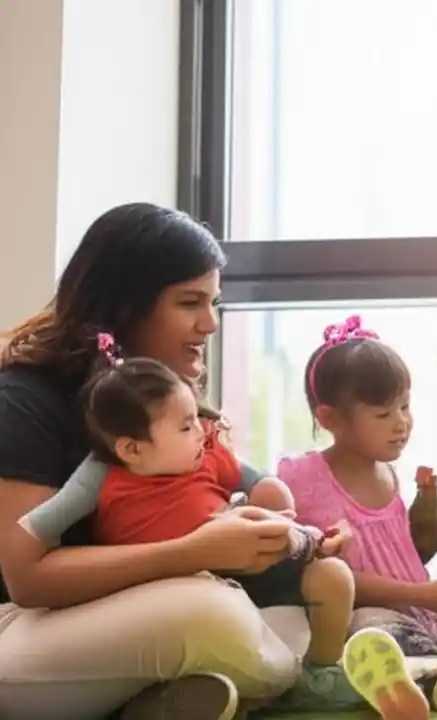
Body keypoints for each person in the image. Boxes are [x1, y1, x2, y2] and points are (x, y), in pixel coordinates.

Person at [0, 202, 302, 720]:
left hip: (128, 622)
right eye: (190, 302)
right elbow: (28, 577)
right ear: (125, 307)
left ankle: (157, 701)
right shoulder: (24, 399)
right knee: (212, 615)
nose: (209, 323)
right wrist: (191, 550)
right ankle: (294, 680)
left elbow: (238, 488)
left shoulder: (170, 408)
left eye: (214, 302)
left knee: (308, 591)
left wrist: (277, 531)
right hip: (22, 630)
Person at [17, 341, 359, 703]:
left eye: (196, 418)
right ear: (132, 449)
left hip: (247, 566)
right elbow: (37, 526)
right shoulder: (102, 477)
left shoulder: (208, 455)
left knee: (334, 576)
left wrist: (293, 525)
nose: (200, 431)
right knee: (215, 624)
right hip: (176, 587)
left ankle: (320, 675)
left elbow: (265, 489)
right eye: (185, 426)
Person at [280, 315, 437, 716]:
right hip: (360, 616)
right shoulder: (306, 477)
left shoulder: (388, 474)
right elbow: (328, 574)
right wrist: (424, 595)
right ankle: (432, 680)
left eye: (405, 407)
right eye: (383, 414)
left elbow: (399, 554)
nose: (402, 423)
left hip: (420, 616)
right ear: (330, 420)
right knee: (377, 631)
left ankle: (436, 678)